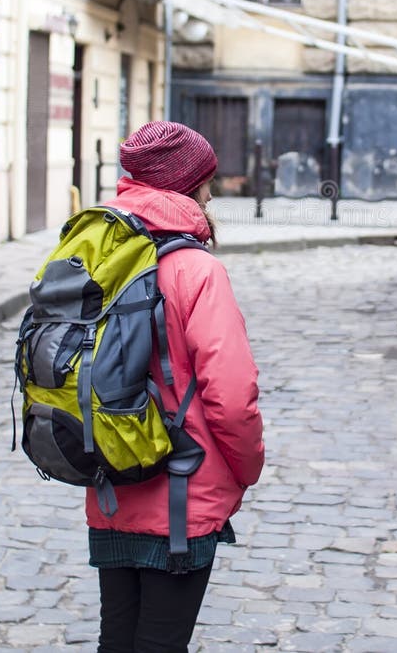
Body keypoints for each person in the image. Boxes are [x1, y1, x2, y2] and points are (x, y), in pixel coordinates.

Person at [86, 120, 265, 653]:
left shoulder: (102, 254)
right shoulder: (196, 271)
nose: (212, 191)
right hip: (182, 497)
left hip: (111, 482)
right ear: (191, 186)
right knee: (162, 645)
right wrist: (248, 469)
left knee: (116, 641)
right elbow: (232, 399)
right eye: (207, 180)